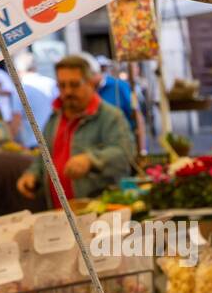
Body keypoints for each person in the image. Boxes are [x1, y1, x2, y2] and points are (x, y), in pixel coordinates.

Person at [15, 55, 135, 207]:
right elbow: (44, 157)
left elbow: (125, 153)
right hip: (60, 213)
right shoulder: (54, 118)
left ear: (90, 83)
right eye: (62, 85)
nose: (68, 91)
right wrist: (32, 174)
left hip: (102, 211)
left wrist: (91, 160)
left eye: (74, 84)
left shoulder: (111, 116)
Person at [94, 55, 139, 137]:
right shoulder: (89, 90)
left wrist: (143, 148)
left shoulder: (121, 86)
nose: (102, 70)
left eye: (104, 67)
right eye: (101, 67)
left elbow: (137, 114)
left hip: (123, 137)